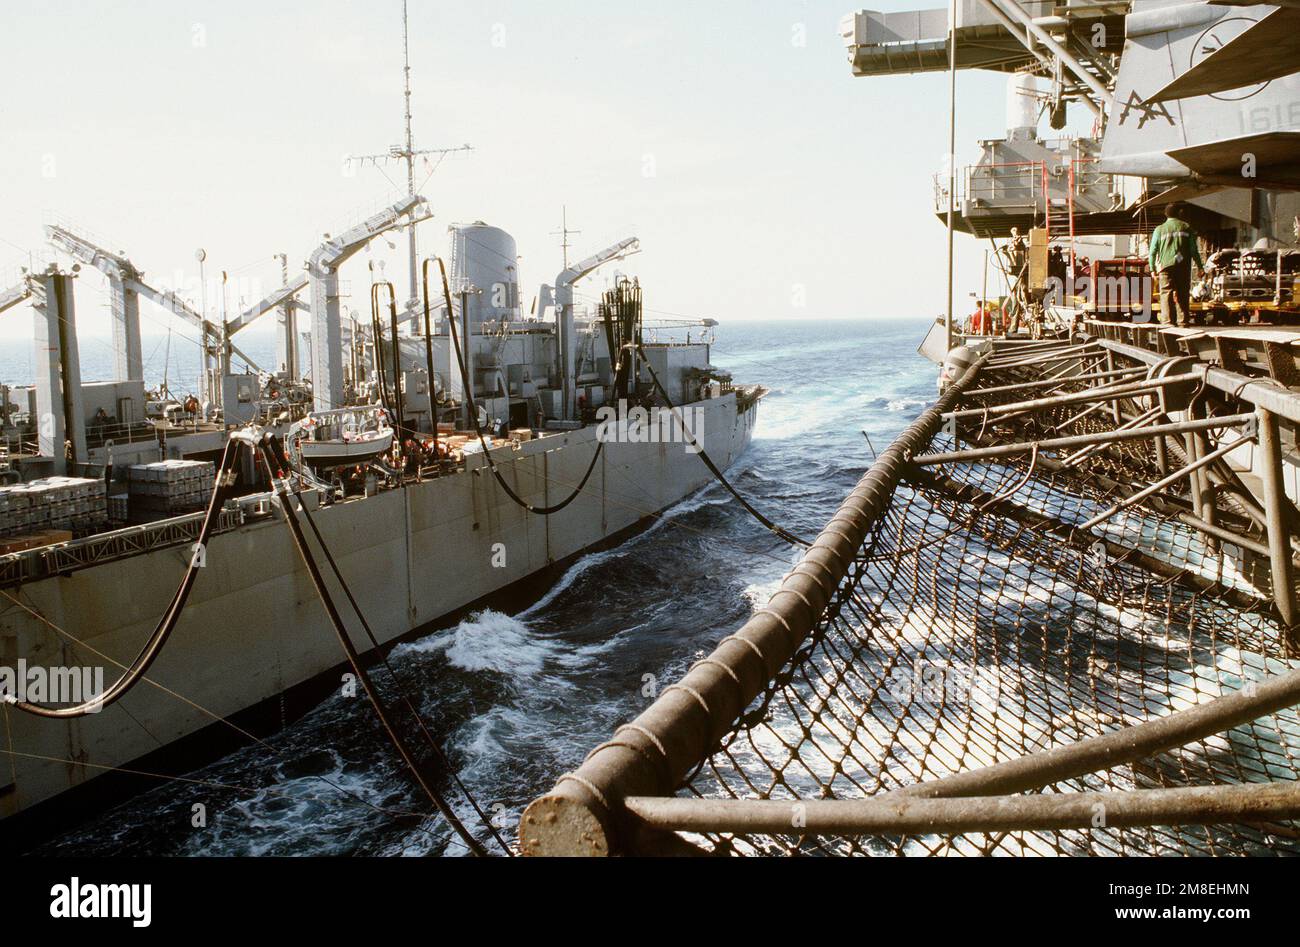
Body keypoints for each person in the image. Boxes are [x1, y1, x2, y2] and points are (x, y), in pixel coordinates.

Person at [1148, 202, 1203, 327]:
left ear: (1165, 214)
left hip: (1165, 267)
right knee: (1182, 293)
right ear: (1179, 213)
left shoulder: (1159, 229)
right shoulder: (1186, 227)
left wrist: (1152, 269)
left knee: (1166, 293)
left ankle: (1168, 323)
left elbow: (1152, 251)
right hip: (1182, 265)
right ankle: (1183, 322)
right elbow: (1194, 250)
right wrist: (1200, 267)